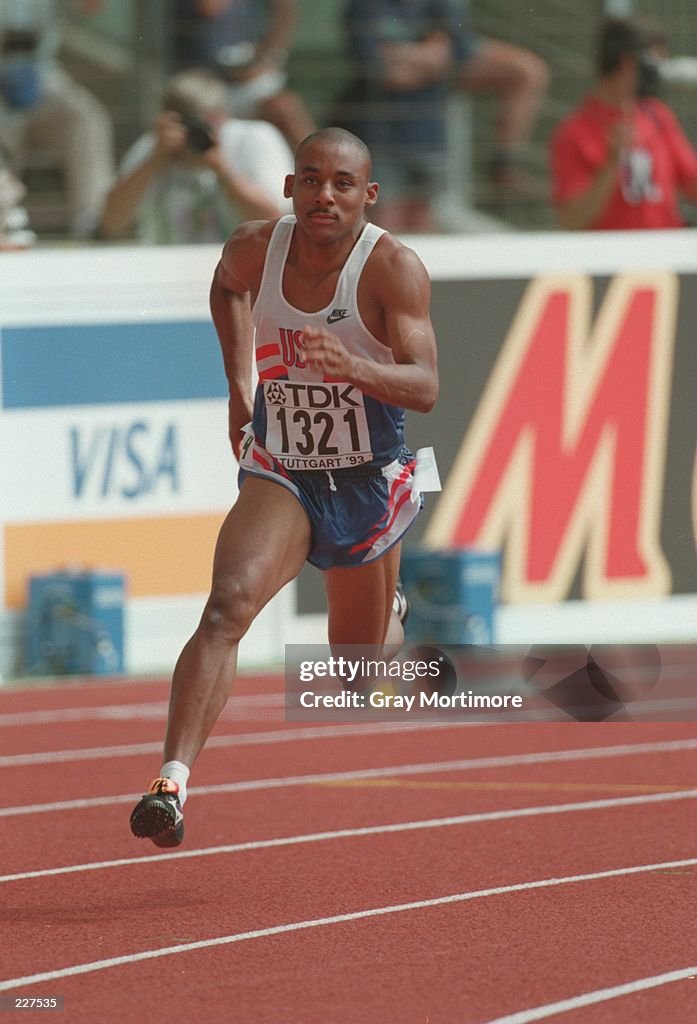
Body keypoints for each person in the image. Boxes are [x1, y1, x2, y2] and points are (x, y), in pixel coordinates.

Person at [129, 126, 439, 848]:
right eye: (309, 180)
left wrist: (355, 367)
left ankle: (390, 602)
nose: (322, 195)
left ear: (367, 195)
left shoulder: (391, 267)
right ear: (288, 187)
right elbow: (226, 287)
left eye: (339, 183)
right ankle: (170, 783)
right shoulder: (254, 248)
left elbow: (424, 386)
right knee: (226, 606)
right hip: (283, 466)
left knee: (355, 680)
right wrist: (239, 388)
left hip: (366, 477)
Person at [339, 0, 549, 231]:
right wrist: (431, 59)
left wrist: (402, 56)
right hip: (384, 140)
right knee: (387, 228)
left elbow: (456, 55)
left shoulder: (441, 5)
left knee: (423, 221)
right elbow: (381, 70)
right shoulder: (364, 7)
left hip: (429, 137)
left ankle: (504, 165)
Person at [99, 68, 293, 245]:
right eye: (187, 124)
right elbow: (111, 223)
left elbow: (275, 222)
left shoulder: (253, 139)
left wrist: (222, 168)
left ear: (223, 115)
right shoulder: (152, 146)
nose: (194, 134)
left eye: (205, 123)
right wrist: (154, 160)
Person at [550, 16, 697, 230]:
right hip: (613, 261)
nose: (659, 75)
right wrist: (611, 164)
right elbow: (572, 222)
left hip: (663, 258)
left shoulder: (656, 116)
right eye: (655, 65)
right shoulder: (573, 132)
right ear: (628, 63)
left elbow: (692, 182)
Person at [0, 0, 114, 238]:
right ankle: (3, 221)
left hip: (41, 76)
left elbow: (90, 6)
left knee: (88, 120)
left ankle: (92, 221)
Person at [171, 0, 315, 150]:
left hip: (246, 85)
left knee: (285, 107)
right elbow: (209, 8)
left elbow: (286, 11)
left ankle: (322, 165)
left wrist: (269, 58)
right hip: (203, 87)